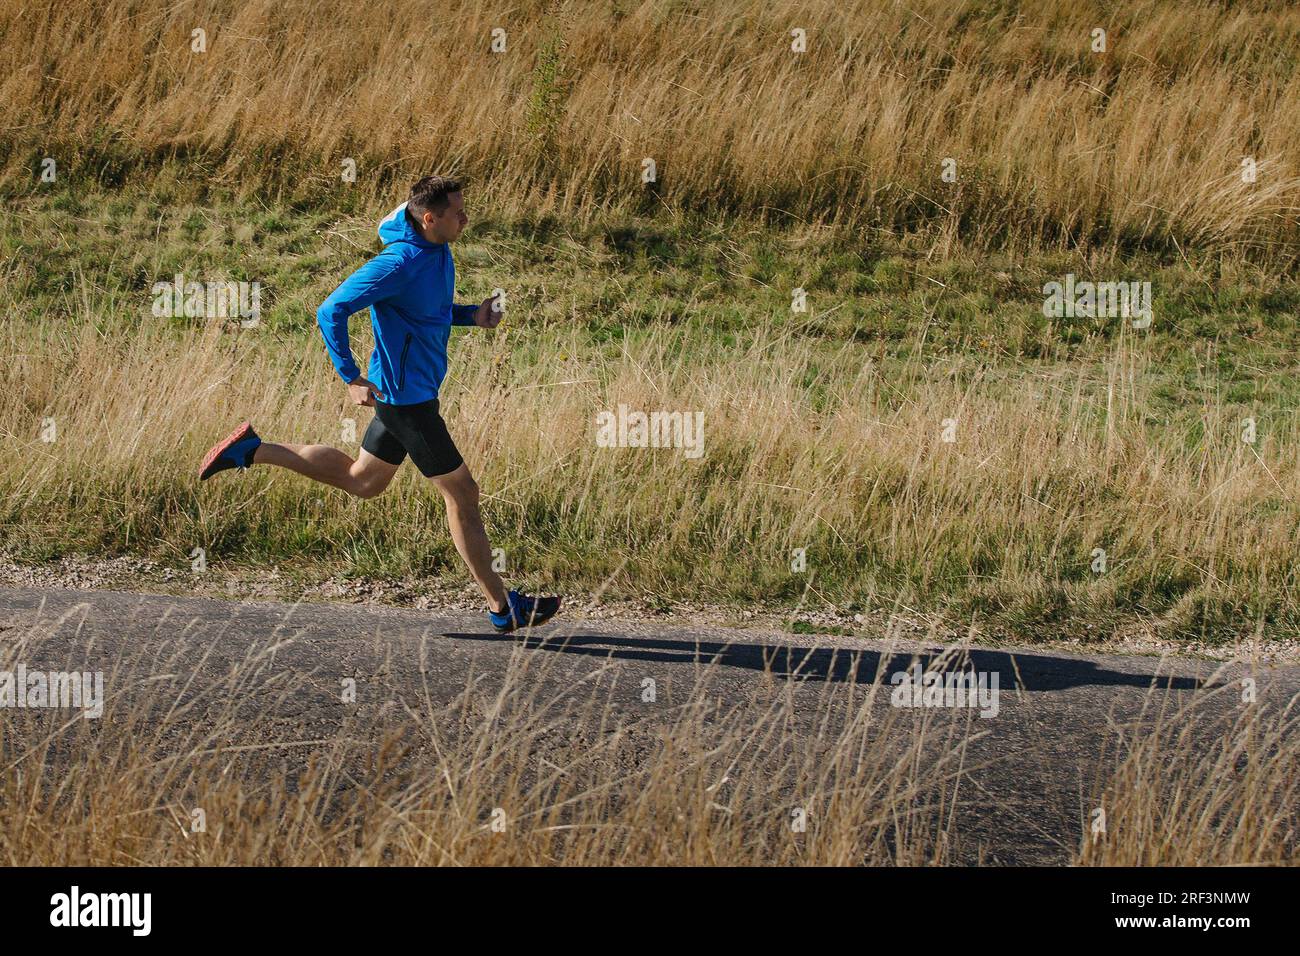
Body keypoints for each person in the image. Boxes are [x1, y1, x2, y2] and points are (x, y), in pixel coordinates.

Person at [198, 176, 560, 633]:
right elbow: (331, 310)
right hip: (406, 400)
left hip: (413, 393)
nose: (466, 218)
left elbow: (425, 311)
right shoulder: (398, 261)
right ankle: (504, 606)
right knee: (462, 492)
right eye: (457, 212)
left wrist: (471, 315)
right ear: (430, 219)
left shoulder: (436, 251)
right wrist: (351, 376)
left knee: (363, 481)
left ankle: (252, 450)